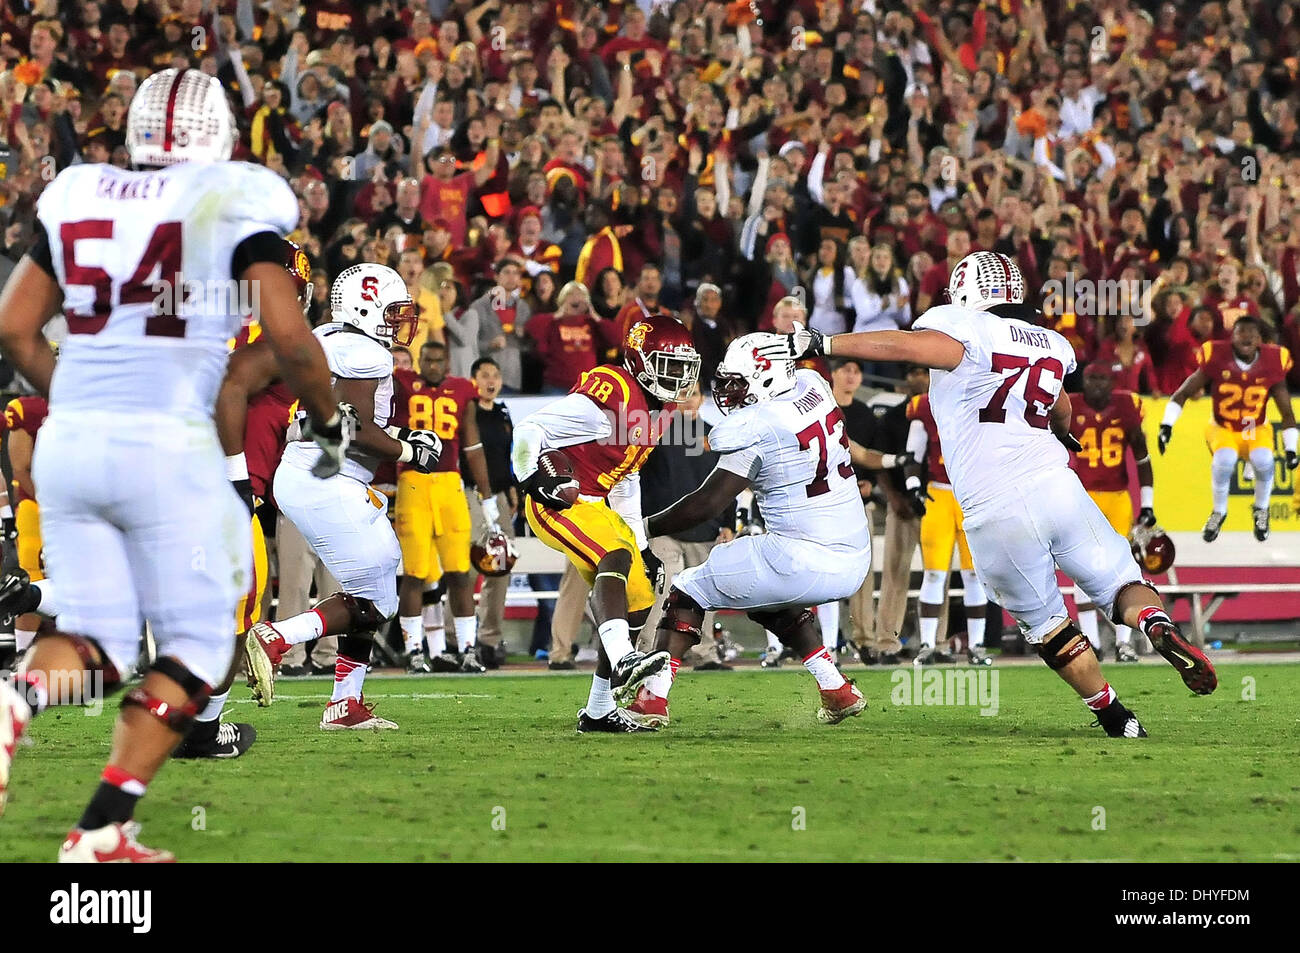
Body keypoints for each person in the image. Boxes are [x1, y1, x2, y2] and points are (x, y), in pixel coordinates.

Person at [0, 69, 344, 861]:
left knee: (99, 638)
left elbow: (16, 330)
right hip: (165, 440)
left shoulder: (81, 190)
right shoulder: (235, 199)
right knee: (198, 646)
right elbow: (292, 342)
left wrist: (81, 398)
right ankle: (98, 827)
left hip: (74, 445)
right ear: (217, 136)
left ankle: (23, 719)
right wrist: (328, 427)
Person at [788, 251, 1218, 738]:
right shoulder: (1052, 343)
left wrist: (824, 341)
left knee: (1049, 625)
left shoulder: (964, 328)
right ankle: (1155, 623)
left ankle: (1118, 717)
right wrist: (1065, 434)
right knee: (1120, 582)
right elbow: (1059, 405)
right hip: (1057, 484)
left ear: (967, 292)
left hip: (994, 506)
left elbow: (908, 347)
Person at [637, 333, 886, 728]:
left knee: (688, 587)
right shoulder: (813, 386)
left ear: (767, 378)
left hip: (803, 556)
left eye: (738, 381)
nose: (728, 391)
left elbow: (706, 503)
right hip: (853, 556)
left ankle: (651, 698)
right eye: (726, 381)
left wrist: (644, 525)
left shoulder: (756, 426)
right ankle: (836, 687)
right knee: (760, 588)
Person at [245, 262, 438, 729]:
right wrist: (407, 449)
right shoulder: (363, 352)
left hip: (310, 471)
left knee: (372, 587)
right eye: (392, 313)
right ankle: (277, 636)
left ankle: (344, 704)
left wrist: (399, 436)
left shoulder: (331, 337)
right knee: (381, 600)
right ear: (366, 309)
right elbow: (351, 424)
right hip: (324, 477)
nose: (399, 323)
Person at [511, 312, 698, 732]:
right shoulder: (612, 389)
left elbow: (626, 475)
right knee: (612, 556)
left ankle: (598, 711)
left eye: (684, 369)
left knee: (640, 600)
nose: (679, 379)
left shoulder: (659, 412)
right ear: (640, 361)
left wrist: (642, 544)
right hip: (559, 499)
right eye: (670, 367)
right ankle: (624, 658)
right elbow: (529, 429)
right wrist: (530, 479)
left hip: (600, 506)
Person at [392, 340, 497, 674]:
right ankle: (413, 651)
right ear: (420, 360)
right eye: (428, 360)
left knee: (458, 573)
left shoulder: (462, 390)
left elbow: (472, 444)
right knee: (414, 574)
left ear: (448, 362)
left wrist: (487, 495)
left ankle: (467, 648)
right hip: (413, 482)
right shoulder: (402, 381)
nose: (433, 366)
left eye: (439, 360)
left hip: (450, 484)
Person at [1159, 315, 1298, 542]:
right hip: (1223, 427)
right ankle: (1219, 511)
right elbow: (1183, 393)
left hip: (1256, 427)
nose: (1247, 337)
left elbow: (1287, 412)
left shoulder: (1274, 360)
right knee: (1225, 459)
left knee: (1264, 460)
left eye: (1252, 334)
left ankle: (1261, 509)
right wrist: (1167, 424)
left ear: (1260, 340)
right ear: (1232, 337)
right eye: (1241, 332)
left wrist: (1291, 448)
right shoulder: (1216, 357)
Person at [637, 387, 734, 670]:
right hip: (663, 526)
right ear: (671, 399)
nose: (689, 399)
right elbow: (634, 476)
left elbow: (728, 481)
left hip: (705, 527)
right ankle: (648, 652)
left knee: (703, 596)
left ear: (703, 399)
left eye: (694, 393)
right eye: (683, 393)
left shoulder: (715, 435)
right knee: (659, 592)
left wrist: (728, 522)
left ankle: (703, 653)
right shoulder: (654, 431)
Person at [1067, 362, 1158, 663]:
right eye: (1091, 379)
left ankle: (1124, 643)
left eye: (1101, 378)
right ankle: (1091, 641)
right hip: (1084, 497)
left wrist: (1147, 504)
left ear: (1112, 382)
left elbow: (1143, 458)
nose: (1095, 385)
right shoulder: (1071, 405)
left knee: (1124, 568)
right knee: (1081, 567)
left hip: (1117, 497)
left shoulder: (1127, 405)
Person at [903, 379, 991, 666]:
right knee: (934, 574)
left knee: (974, 575)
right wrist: (914, 485)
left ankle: (976, 646)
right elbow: (913, 454)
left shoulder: (983, 395)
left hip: (972, 494)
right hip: (939, 494)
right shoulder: (925, 405)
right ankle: (928, 643)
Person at [465, 357, 516, 653]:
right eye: (485, 375)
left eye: (495, 375)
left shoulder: (501, 413)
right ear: (473, 379)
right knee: (469, 567)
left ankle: (489, 637)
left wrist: (511, 487)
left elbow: (504, 454)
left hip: (498, 495)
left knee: (501, 566)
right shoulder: (467, 411)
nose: (491, 381)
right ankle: (454, 637)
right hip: (471, 494)